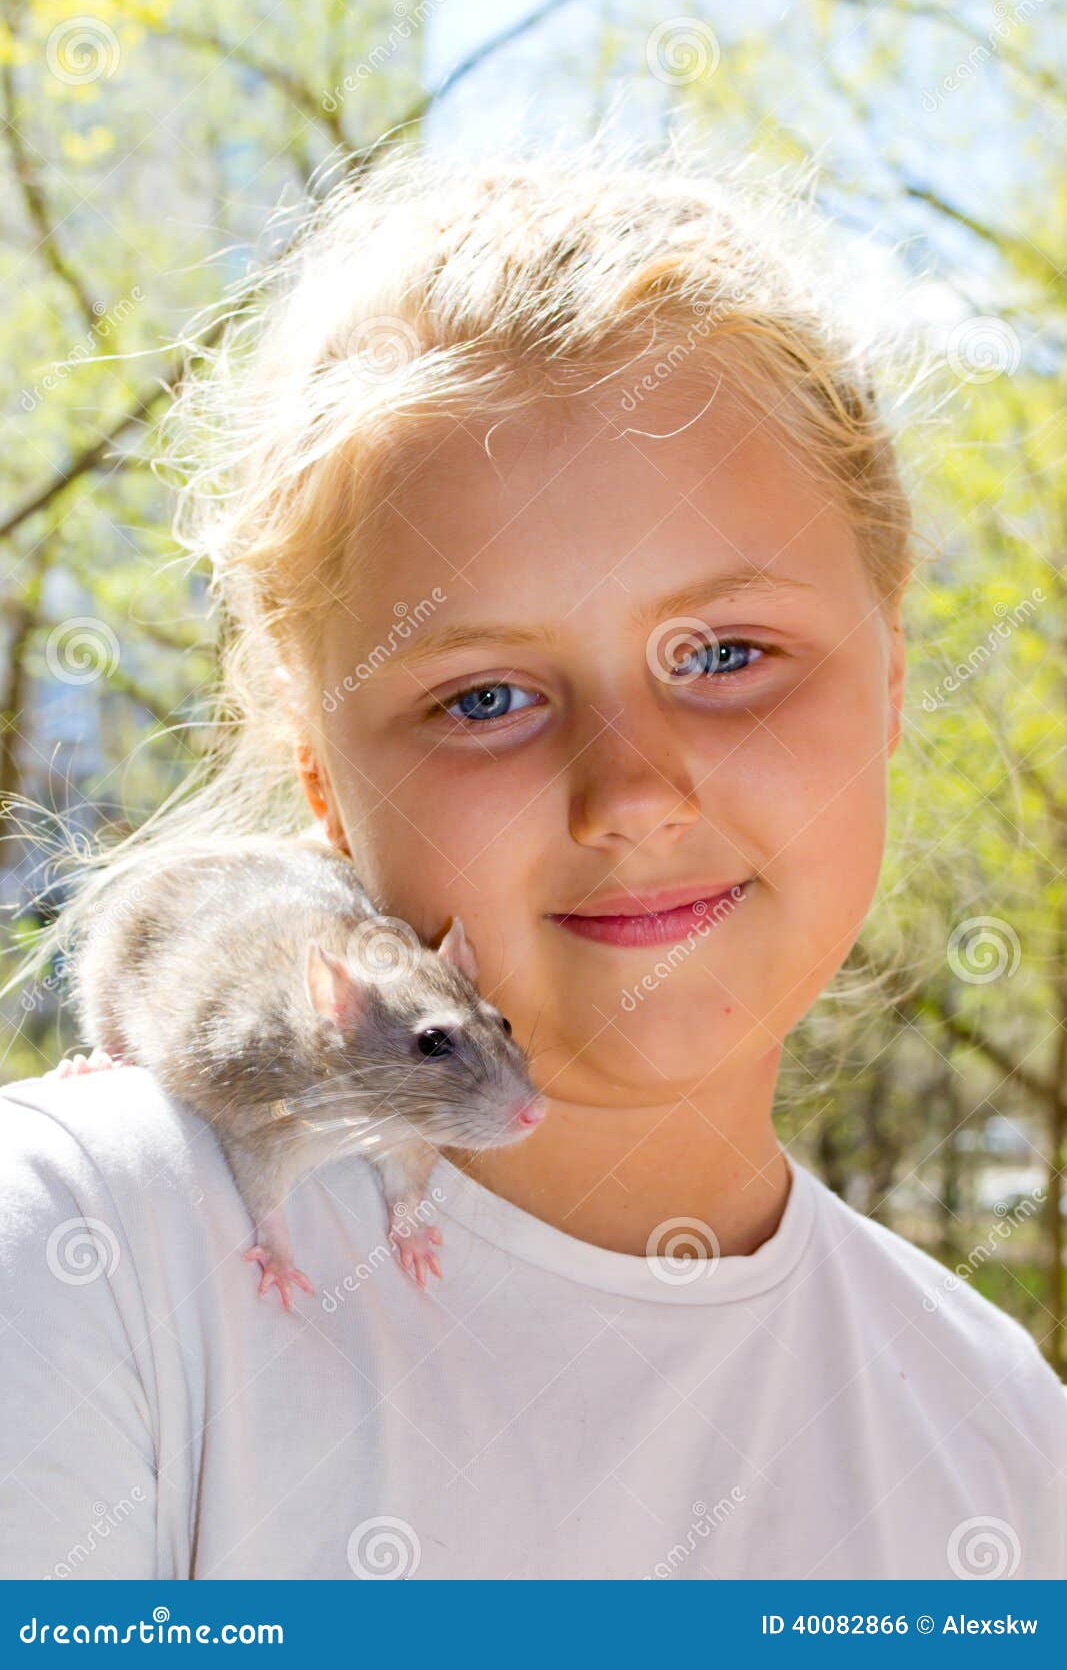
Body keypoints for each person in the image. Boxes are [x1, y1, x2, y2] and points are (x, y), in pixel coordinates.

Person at [1, 138, 1063, 1581]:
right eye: (486, 696)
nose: (631, 792)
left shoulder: (1002, 1439)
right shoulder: (82, 1259)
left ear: (890, 674)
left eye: (725, 654)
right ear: (320, 775)